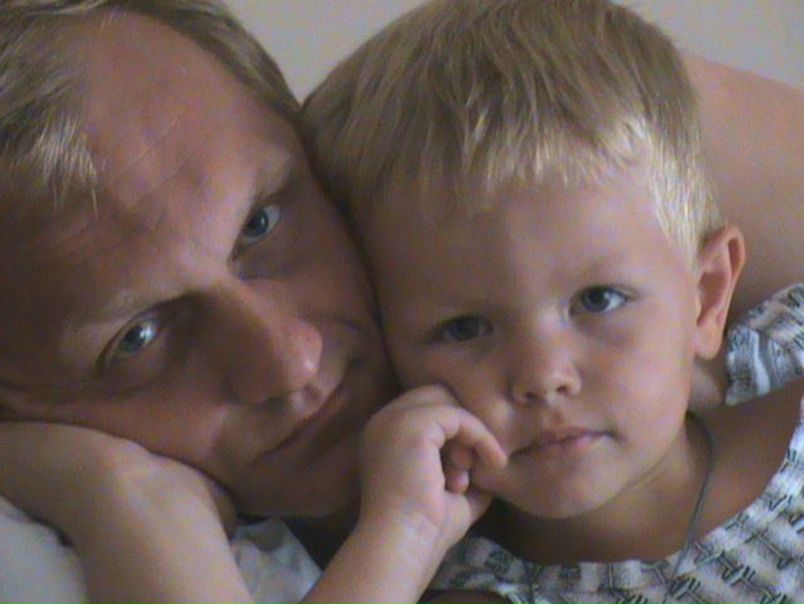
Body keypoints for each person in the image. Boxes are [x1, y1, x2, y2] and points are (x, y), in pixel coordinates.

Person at [0, 0, 801, 602]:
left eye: (261, 224)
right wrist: (122, 501)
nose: (289, 360)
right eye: (138, 338)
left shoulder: (538, 135)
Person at [302, 0, 804, 602]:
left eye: (599, 299)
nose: (542, 377)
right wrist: (403, 531)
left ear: (707, 295)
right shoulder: (482, 590)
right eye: (464, 329)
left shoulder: (789, 361)